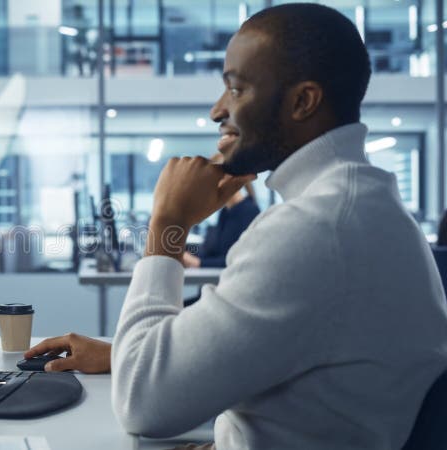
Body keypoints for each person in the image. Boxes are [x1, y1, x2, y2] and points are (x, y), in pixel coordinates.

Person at [26, 4, 447, 449]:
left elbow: (142, 404)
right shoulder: (362, 206)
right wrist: (124, 357)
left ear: (303, 101)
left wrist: (168, 223)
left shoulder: (313, 230)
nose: (217, 111)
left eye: (236, 89)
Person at [183, 154, 259, 269]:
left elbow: (239, 260)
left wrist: (198, 263)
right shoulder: (225, 211)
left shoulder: (249, 212)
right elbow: (215, 251)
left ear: (227, 178)